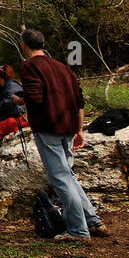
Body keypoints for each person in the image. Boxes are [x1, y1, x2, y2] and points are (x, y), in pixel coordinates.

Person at [16, 29, 110, 241]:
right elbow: (79, 100)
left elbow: (35, 97)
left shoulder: (29, 66)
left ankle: (78, 230)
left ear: (24, 45)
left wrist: (20, 101)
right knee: (68, 175)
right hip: (68, 126)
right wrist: (79, 129)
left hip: (48, 127)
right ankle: (92, 220)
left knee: (60, 178)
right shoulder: (63, 67)